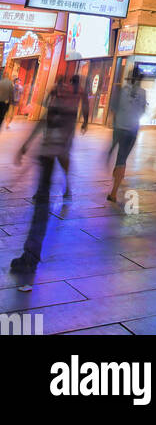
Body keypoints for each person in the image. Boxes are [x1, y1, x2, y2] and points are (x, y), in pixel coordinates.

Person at [10, 80, 82, 288]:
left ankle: (30, 258)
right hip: (46, 157)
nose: (60, 90)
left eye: (64, 88)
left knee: (41, 209)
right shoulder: (58, 103)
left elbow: (65, 134)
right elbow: (43, 122)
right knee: (40, 207)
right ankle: (30, 255)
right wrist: (26, 145)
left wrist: (54, 150)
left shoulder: (68, 107)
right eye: (59, 88)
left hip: (51, 157)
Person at [107, 67, 147, 203]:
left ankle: (113, 192)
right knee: (122, 158)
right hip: (132, 129)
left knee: (119, 158)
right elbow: (142, 111)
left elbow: (113, 110)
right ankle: (117, 174)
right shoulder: (143, 93)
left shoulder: (121, 90)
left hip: (119, 128)